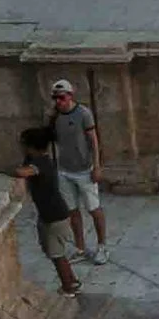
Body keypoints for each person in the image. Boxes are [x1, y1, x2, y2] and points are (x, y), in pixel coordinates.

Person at [45, 77, 107, 265]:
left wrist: (96, 166)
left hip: (84, 169)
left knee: (93, 208)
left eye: (62, 98)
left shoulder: (83, 114)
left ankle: (102, 245)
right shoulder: (54, 116)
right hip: (64, 170)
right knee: (72, 211)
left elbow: (93, 141)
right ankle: (80, 247)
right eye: (55, 98)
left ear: (70, 96)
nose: (58, 102)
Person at [16, 122, 83, 297]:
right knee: (54, 251)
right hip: (49, 215)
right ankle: (72, 280)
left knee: (57, 254)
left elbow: (23, 173)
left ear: (30, 146)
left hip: (55, 217)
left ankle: (68, 288)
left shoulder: (41, 163)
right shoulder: (37, 159)